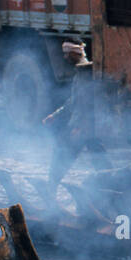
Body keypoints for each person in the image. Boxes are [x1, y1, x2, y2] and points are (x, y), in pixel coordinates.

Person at [43, 41, 109, 188]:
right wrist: (55, 115)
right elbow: (73, 101)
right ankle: (111, 185)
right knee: (100, 160)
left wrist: (79, 126)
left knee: (63, 153)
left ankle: (51, 186)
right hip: (88, 128)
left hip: (84, 126)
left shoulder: (86, 72)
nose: (65, 57)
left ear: (75, 53)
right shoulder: (80, 72)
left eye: (67, 54)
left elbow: (85, 104)